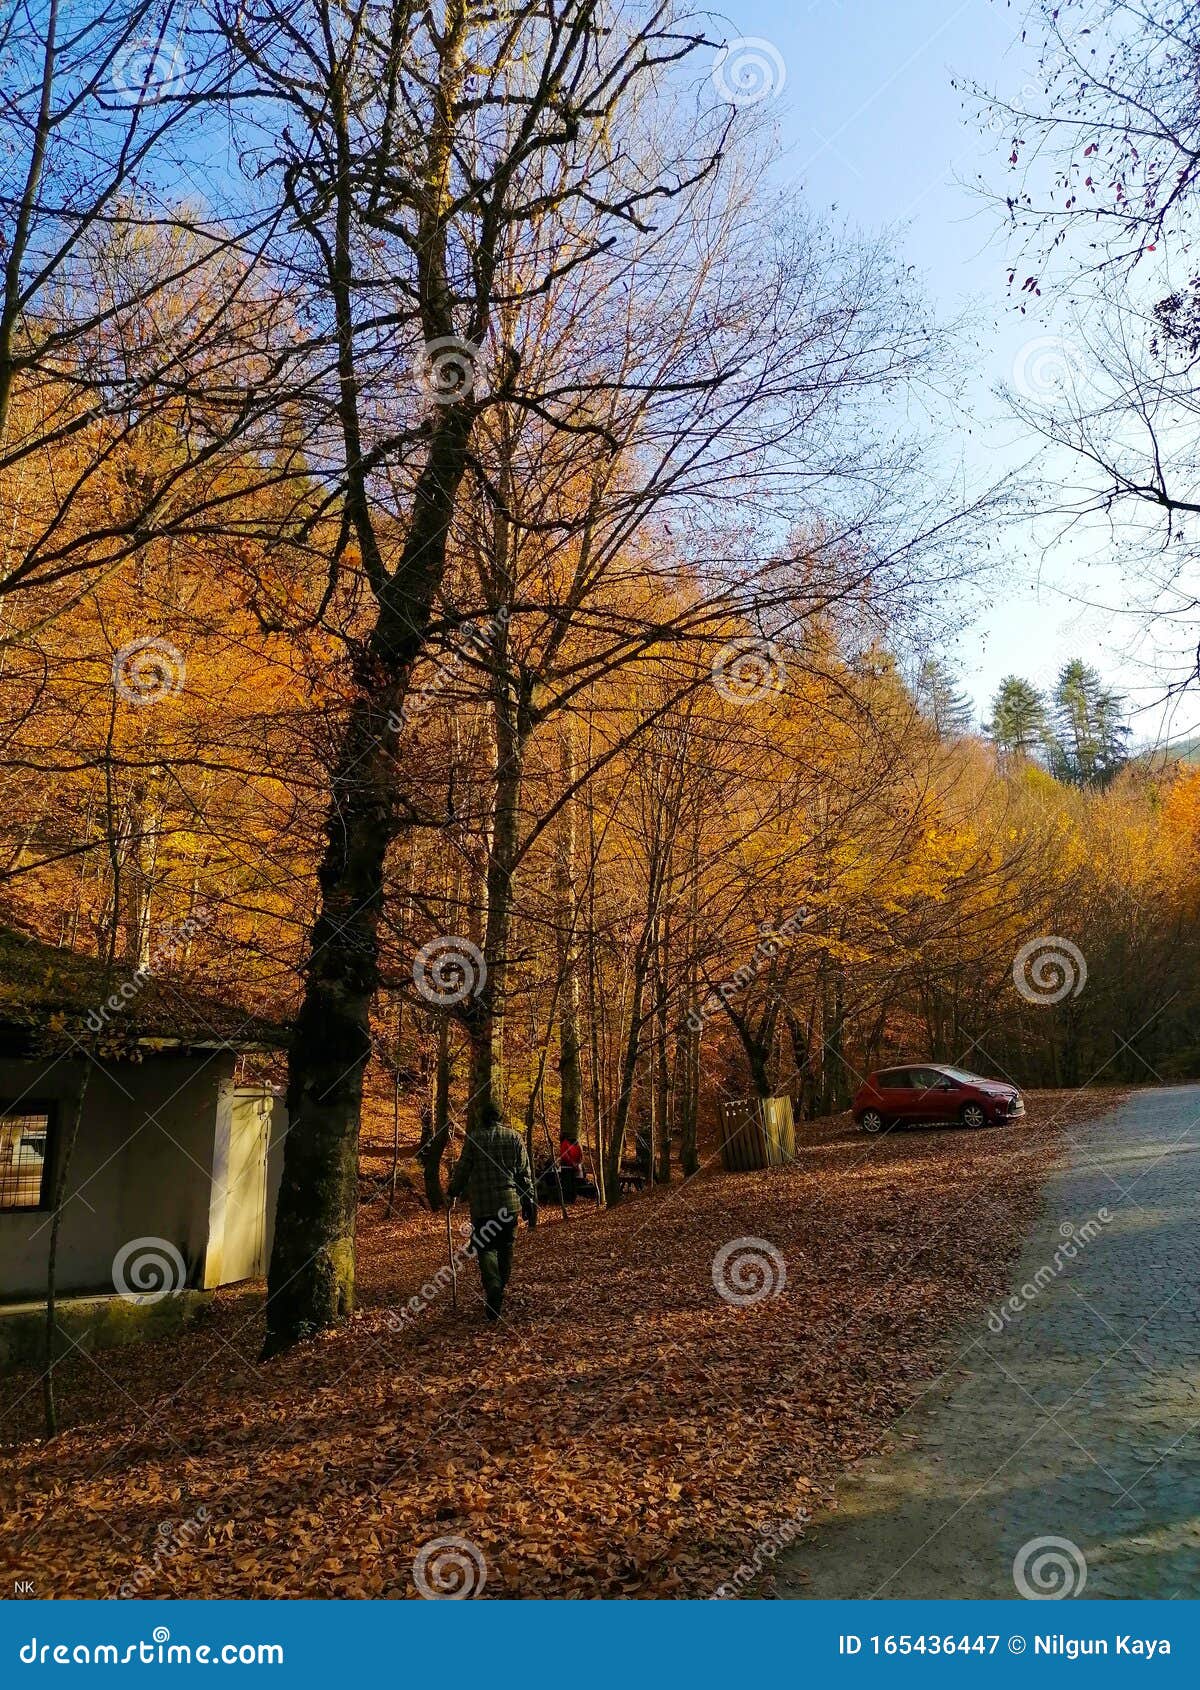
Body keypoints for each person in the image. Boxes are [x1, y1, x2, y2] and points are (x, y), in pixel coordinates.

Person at [447, 1101, 536, 1322]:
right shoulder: (514, 1137)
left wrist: (453, 1191)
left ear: (482, 1117)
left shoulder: (474, 1139)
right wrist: (529, 1201)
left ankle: (493, 1286)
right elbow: (524, 1174)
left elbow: (463, 1168)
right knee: (506, 1247)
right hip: (508, 1206)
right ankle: (500, 1286)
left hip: (483, 1207)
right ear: (499, 1116)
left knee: (486, 1248)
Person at [558, 1127, 583, 1204]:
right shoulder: (577, 1144)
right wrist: (577, 1164)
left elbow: (564, 1155)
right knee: (572, 1183)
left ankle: (568, 1199)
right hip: (573, 1166)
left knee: (567, 1183)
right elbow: (580, 1155)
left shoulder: (565, 1143)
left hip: (567, 1167)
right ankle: (572, 1198)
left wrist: (573, 1163)